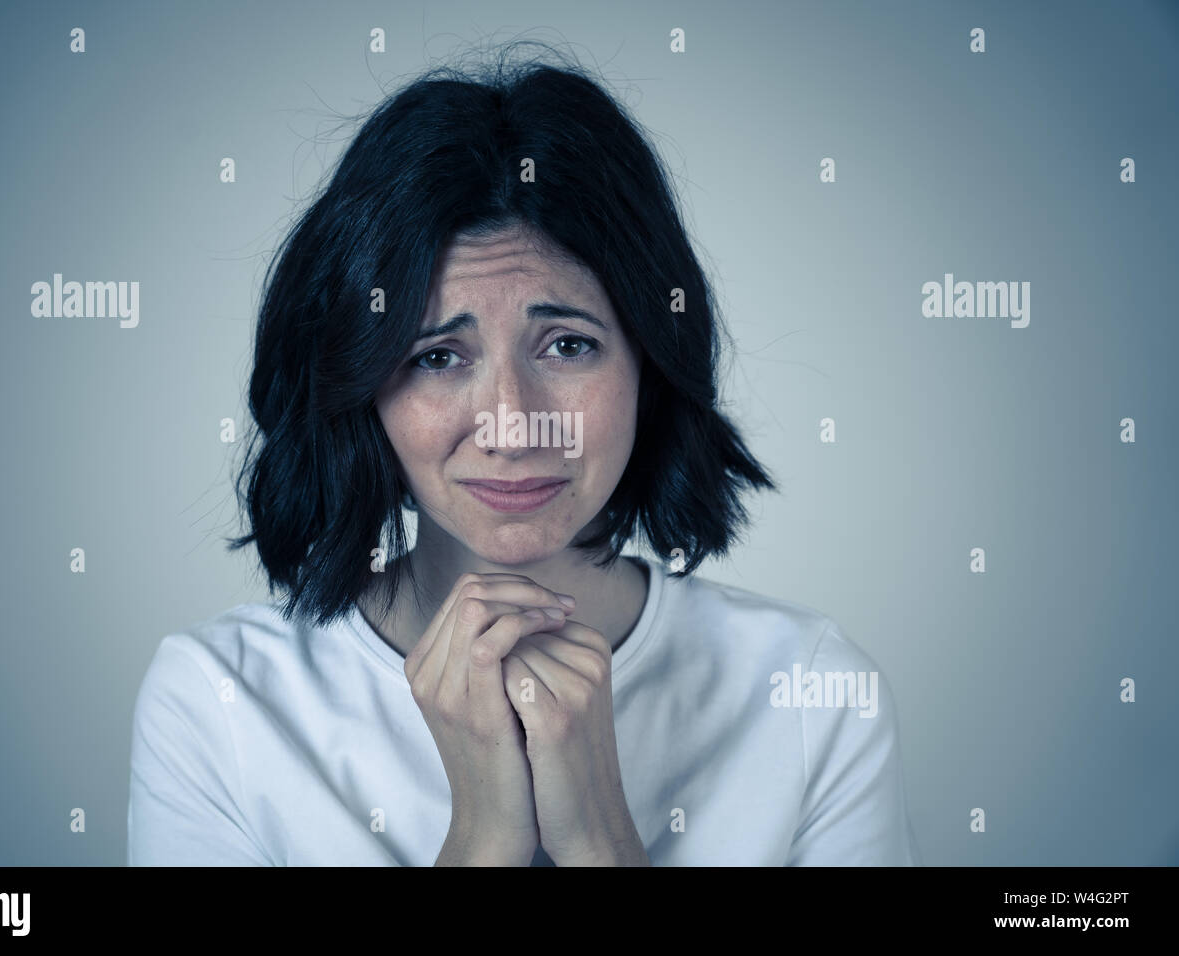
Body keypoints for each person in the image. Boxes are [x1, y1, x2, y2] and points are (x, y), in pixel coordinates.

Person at [127, 43, 920, 866]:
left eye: (568, 346)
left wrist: (600, 839)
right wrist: (484, 838)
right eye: (438, 357)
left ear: (650, 363)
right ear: (363, 386)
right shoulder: (220, 702)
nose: (512, 426)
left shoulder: (815, 696)